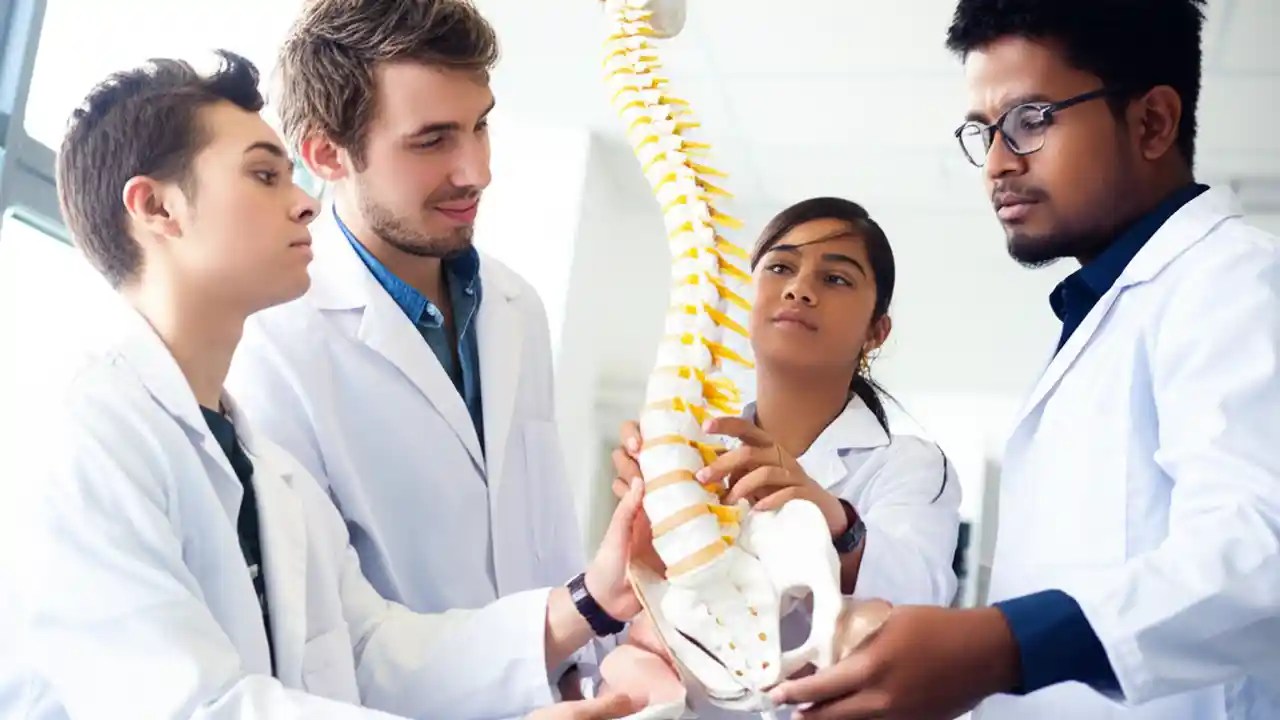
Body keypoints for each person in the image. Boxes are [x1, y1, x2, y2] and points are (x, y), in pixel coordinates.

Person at [0, 50, 646, 720]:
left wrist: (594, 598)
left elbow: (368, 655)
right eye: (263, 176)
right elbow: (192, 708)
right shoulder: (83, 441)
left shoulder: (264, 468)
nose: (306, 204)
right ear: (157, 207)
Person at [768, 1, 1280, 719]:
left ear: (1152, 123)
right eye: (984, 132)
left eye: (1031, 119)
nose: (1000, 163)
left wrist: (1001, 647)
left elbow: (1260, 555)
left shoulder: (1239, 281)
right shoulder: (1107, 308)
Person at [224, 0, 599, 695]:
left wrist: (587, 667)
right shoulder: (269, 345)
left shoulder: (516, 308)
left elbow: (545, 542)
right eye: (432, 141)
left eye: (480, 125)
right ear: (326, 153)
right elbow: (327, 640)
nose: (476, 170)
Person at [605, 197, 963, 717]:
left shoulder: (910, 467)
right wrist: (646, 542)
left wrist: (832, 521)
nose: (798, 288)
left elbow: (919, 608)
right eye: (779, 267)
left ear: (875, 332)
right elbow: (628, 637)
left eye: (836, 279)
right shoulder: (693, 457)